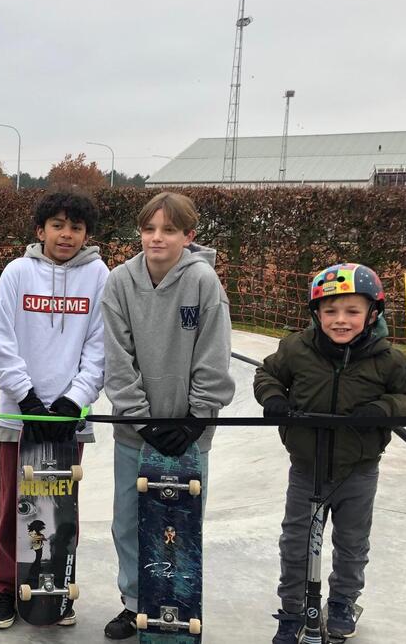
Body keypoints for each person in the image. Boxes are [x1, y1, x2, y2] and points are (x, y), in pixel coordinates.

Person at [255, 263, 406, 643]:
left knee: (352, 542)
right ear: (315, 314)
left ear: (372, 314)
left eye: (352, 311)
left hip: (358, 469)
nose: (340, 321)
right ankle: (292, 611)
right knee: (296, 542)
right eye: (330, 311)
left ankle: (342, 602)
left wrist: (383, 410)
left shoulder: (388, 359)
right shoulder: (296, 349)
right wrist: (272, 398)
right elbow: (266, 375)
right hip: (307, 467)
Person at [101, 191, 235, 639]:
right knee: (128, 521)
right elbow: (117, 358)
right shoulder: (119, 281)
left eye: (169, 230)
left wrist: (197, 418)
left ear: (188, 236)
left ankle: (177, 601)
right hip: (136, 434)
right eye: (149, 229)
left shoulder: (204, 282)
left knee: (180, 523)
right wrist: (142, 419)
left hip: (189, 435)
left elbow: (213, 354)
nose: (157, 238)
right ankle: (136, 603)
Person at [0, 190, 108, 630]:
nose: (67, 234)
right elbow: (0, 338)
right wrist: (28, 398)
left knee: (60, 510)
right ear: (40, 230)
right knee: (12, 508)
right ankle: (6, 587)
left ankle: (56, 586)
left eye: (76, 227)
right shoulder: (17, 273)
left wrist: (73, 401)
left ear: (86, 234)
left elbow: (99, 347)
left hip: (68, 422)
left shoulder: (98, 276)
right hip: (21, 418)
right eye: (57, 225)